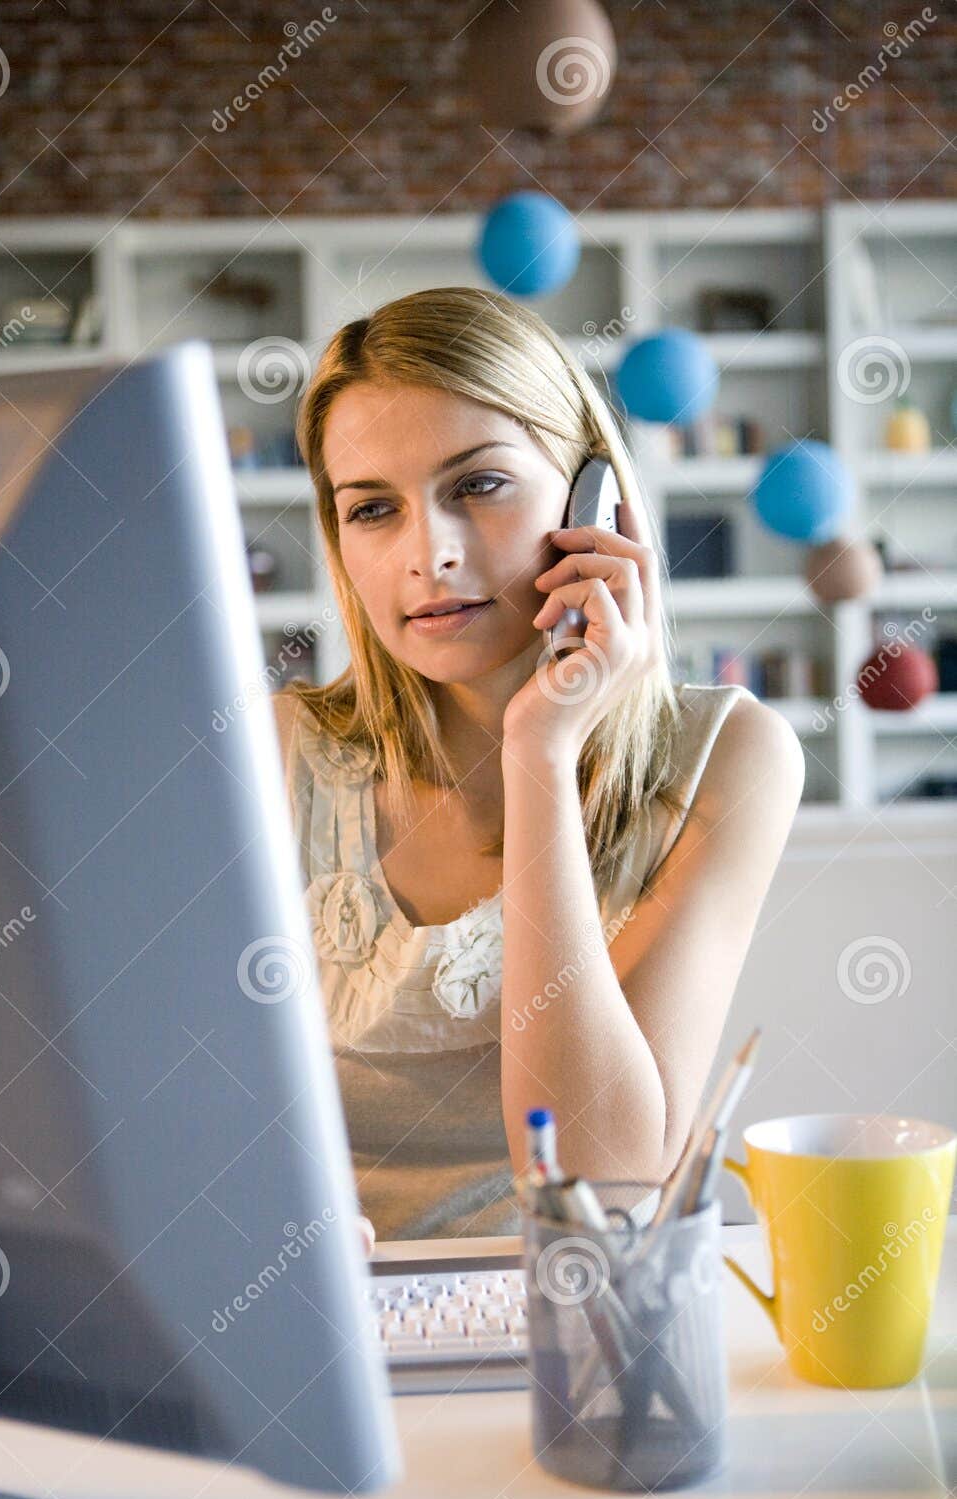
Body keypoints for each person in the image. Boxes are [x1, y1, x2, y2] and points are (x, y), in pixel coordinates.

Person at [271, 286, 804, 1246]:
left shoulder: (731, 760)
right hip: (317, 1333)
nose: (427, 555)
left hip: (580, 1329)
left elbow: (602, 1178)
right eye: (372, 510)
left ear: (592, 500)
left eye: (476, 486)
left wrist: (542, 754)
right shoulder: (277, 758)